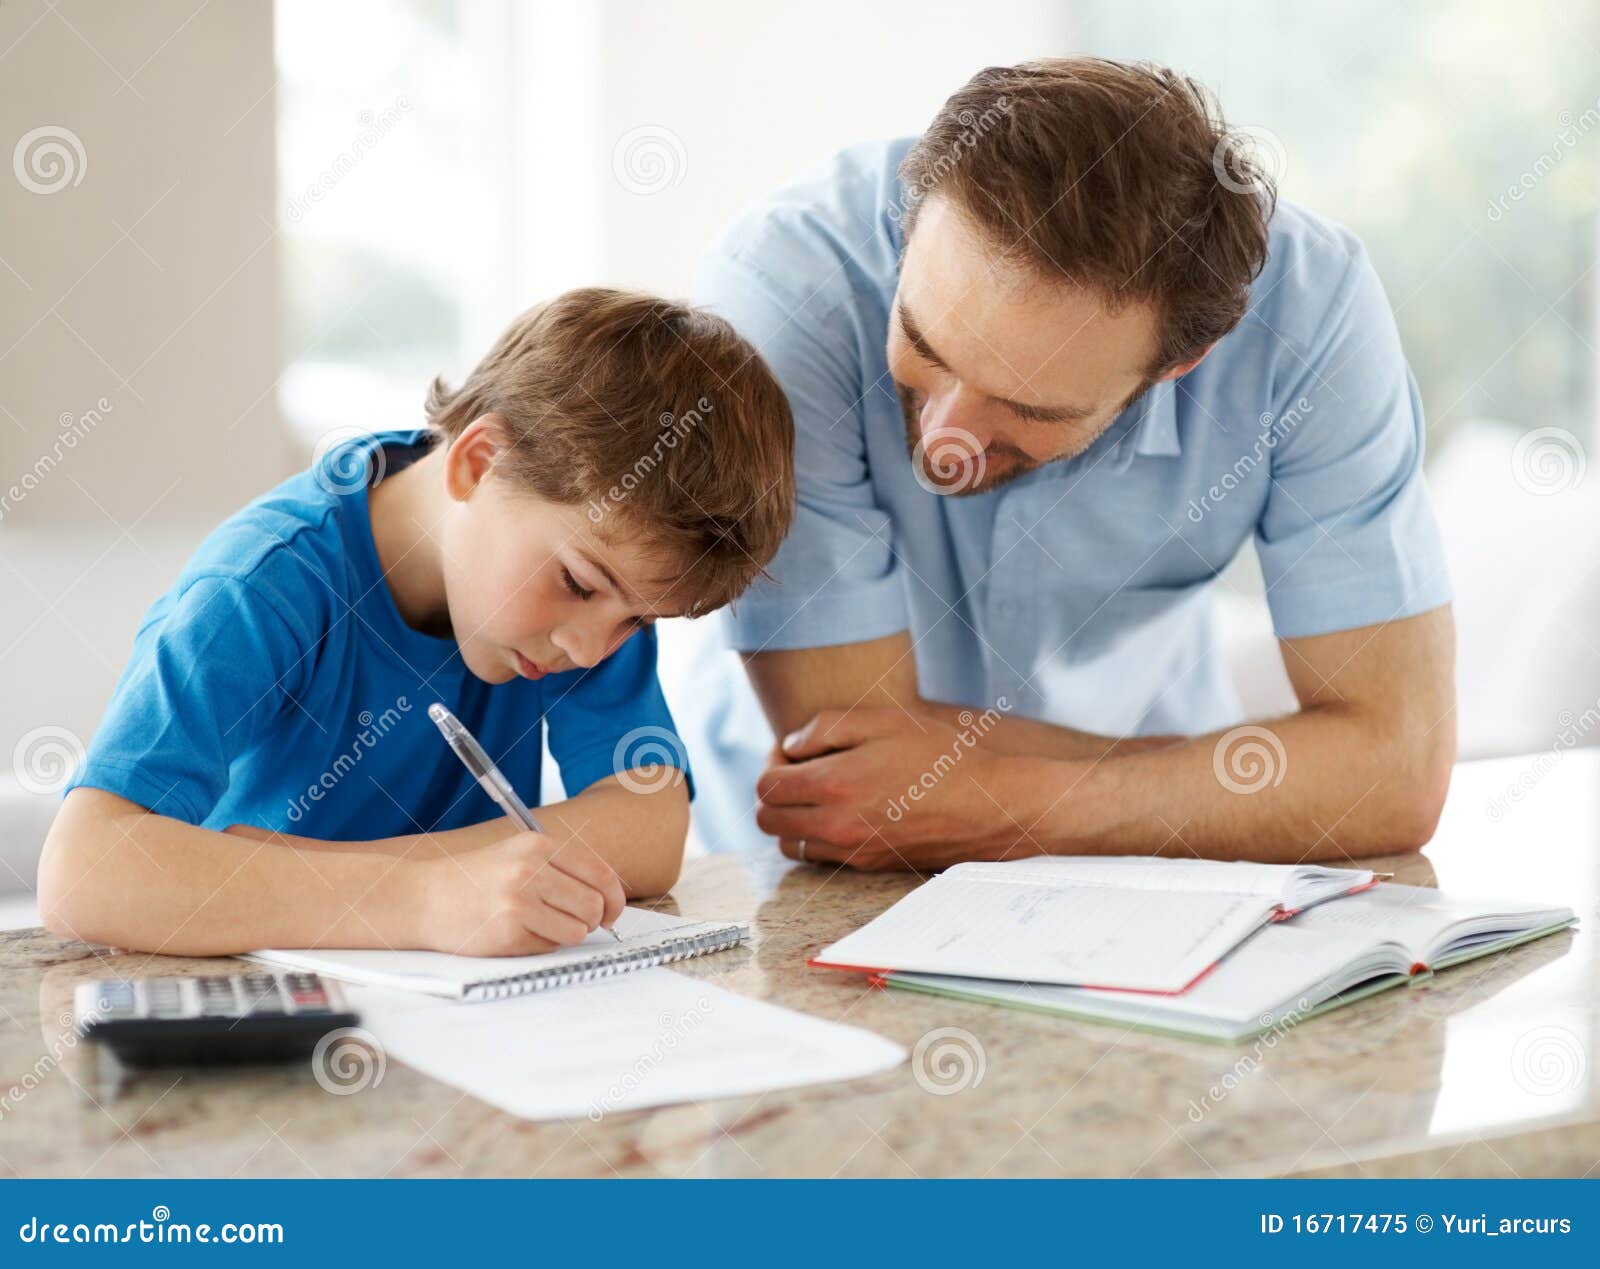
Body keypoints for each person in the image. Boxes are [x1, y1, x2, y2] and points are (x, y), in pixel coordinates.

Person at [687, 58, 1455, 869]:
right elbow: (860, 780)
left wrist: (1017, 803)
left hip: (1147, 876)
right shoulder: (787, 290)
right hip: (794, 871)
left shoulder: (1312, 321)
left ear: (1179, 364)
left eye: (1028, 410)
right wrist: (1253, 782)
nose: (946, 440)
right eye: (922, 343)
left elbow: (1397, 774)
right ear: (909, 231)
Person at [38, 289, 795, 954]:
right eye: (578, 584)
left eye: (638, 622)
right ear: (478, 462)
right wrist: (428, 897)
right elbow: (85, 871)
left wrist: (458, 886)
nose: (591, 646)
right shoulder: (262, 582)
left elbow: (651, 823)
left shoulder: (591, 594)